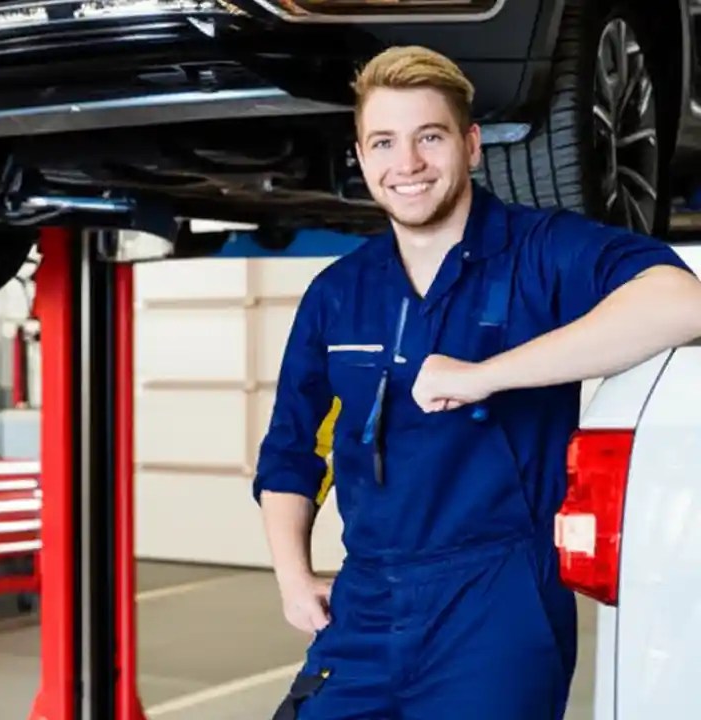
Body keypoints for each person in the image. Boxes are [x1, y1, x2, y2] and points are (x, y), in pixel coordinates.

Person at [254, 45, 701, 720]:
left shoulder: (541, 251)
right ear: (362, 156)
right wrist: (291, 576)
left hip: (497, 608)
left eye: (429, 137)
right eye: (384, 142)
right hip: (367, 604)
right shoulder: (338, 293)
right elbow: (292, 449)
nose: (406, 165)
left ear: (470, 145)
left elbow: (680, 303)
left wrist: (488, 376)